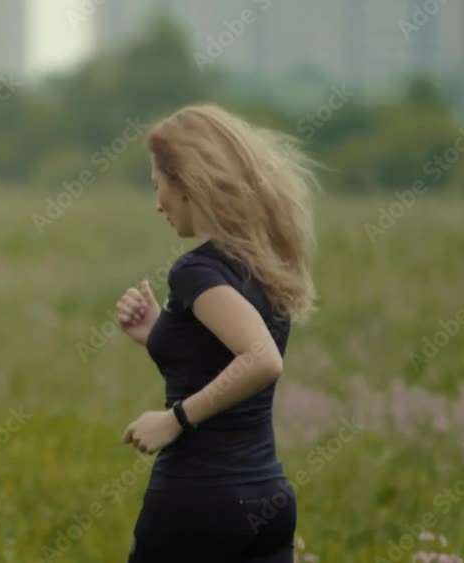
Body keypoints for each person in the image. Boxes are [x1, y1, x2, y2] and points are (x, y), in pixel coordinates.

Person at [116, 104, 320, 562]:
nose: (157, 204)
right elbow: (226, 356)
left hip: (197, 499)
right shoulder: (262, 265)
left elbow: (261, 359)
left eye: (159, 187)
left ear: (187, 184)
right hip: (265, 499)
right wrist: (158, 333)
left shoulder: (195, 271)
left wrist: (174, 420)